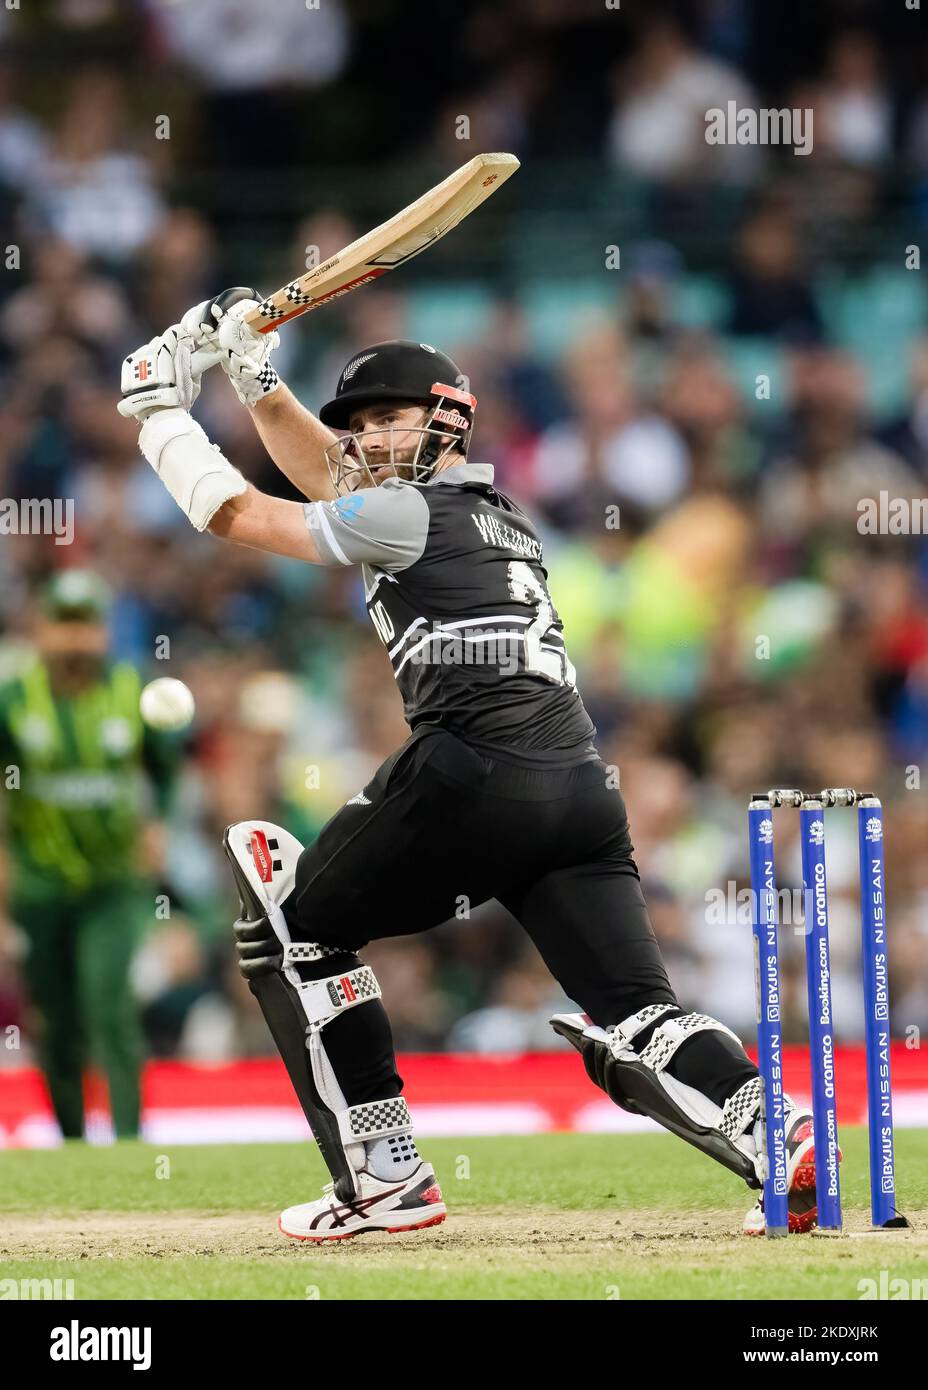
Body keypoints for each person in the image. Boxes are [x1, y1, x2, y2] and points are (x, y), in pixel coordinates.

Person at [117, 295, 824, 1238]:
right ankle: (778, 1131)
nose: (366, 440)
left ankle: (384, 1175)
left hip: (473, 770)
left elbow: (236, 512)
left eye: (387, 419)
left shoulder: (407, 512)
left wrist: (157, 414)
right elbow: (332, 476)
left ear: (444, 419)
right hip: (578, 789)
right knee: (637, 1008)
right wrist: (254, 378)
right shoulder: (497, 515)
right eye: (358, 425)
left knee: (291, 927)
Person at [0, 571, 178, 1138]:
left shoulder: (132, 691)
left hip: (113, 881)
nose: (75, 640)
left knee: (108, 1004)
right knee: (55, 1020)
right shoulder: (12, 699)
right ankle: (74, 1141)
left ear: (103, 631)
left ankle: (129, 1141)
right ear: (42, 629)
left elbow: (166, 771)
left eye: (87, 626)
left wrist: (158, 824)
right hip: (39, 883)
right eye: (64, 625)